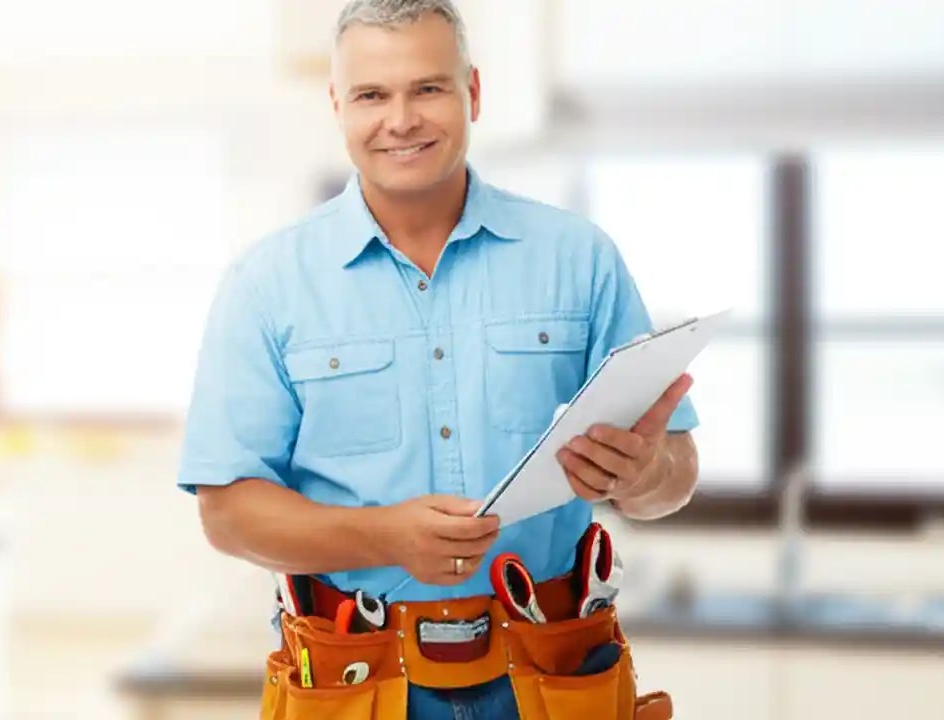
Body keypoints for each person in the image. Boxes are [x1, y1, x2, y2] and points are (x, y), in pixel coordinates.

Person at [178, 1, 699, 717]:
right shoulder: (266, 284)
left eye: (427, 88)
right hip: (353, 680)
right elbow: (228, 514)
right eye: (372, 95)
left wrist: (646, 475)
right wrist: (383, 534)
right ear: (338, 106)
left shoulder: (579, 259)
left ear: (472, 94)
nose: (401, 120)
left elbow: (674, 474)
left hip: (553, 676)